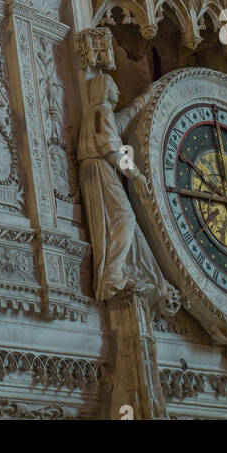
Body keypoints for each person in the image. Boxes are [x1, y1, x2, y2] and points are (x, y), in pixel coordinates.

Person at [77, 73, 173, 305]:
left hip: (98, 171)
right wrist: (136, 175)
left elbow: (124, 119)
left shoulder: (101, 114)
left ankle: (117, 271)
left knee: (117, 223)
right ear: (104, 90)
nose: (118, 92)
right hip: (101, 170)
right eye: (114, 87)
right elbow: (113, 150)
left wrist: (146, 96)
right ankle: (112, 275)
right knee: (125, 219)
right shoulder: (101, 111)